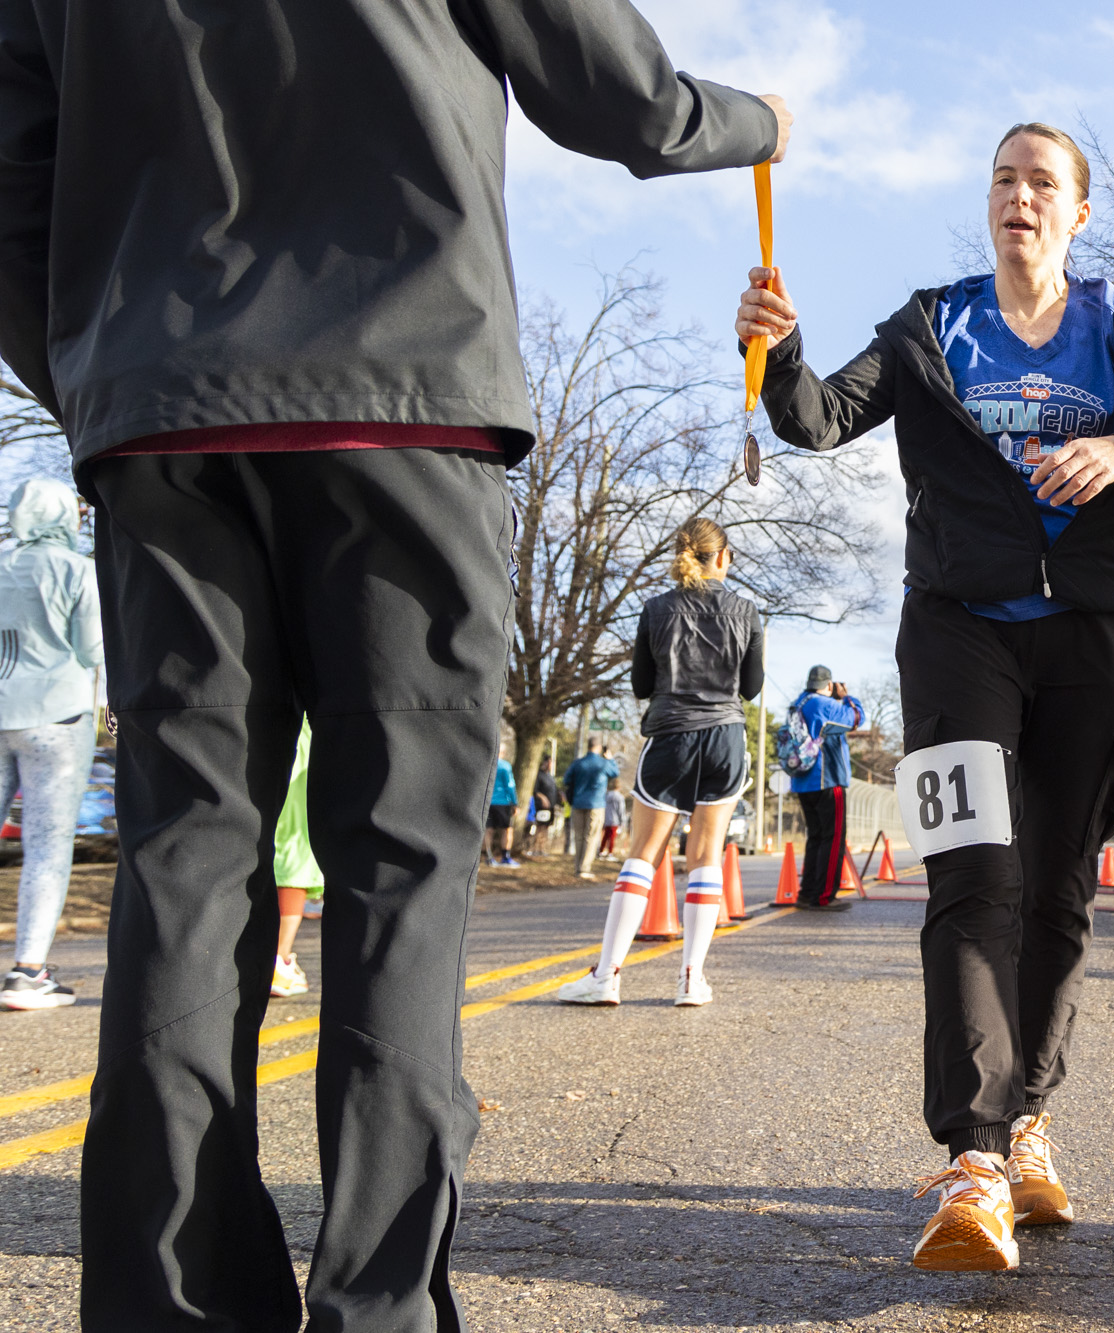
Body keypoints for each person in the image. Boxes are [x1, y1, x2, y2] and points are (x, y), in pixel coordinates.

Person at [0, 0, 793, 1323]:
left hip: (162, 412)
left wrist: (100, 376)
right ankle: (378, 1308)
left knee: (184, 861)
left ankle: (168, 1303)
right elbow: (616, 91)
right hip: (402, 388)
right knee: (401, 868)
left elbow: (14, 164)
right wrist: (758, 122)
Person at [737, 120, 1114, 1272]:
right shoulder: (929, 327)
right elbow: (813, 417)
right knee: (970, 878)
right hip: (956, 634)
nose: (1019, 195)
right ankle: (973, 1157)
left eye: (1041, 181)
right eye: (1003, 178)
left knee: (1055, 888)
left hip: (1092, 640)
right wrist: (779, 347)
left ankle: (1029, 1118)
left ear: (1077, 213)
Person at [558, 518, 762, 1009]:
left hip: (670, 733)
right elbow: (752, 688)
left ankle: (606, 976)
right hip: (725, 737)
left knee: (643, 854)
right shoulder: (747, 610)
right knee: (706, 854)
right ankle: (691, 979)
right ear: (723, 557)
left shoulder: (655, 608)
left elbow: (641, 685)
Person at [0, 479, 100, 1011]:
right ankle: (27, 974)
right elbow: (92, 649)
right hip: (56, 718)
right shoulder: (76, 569)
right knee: (47, 847)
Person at [789, 667, 867, 911]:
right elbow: (857, 718)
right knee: (832, 839)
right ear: (829, 685)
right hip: (827, 778)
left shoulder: (798, 703)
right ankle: (823, 897)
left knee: (815, 837)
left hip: (803, 780)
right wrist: (846, 697)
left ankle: (807, 893)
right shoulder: (823, 704)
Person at [270, 721, 323, 1000]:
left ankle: (273, 960)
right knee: (295, 850)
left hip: (267, 733)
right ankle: (278, 960)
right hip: (303, 739)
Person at [563, 737, 619, 879]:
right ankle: (584, 869)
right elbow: (615, 773)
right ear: (599, 748)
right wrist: (610, 759)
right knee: (591, 836)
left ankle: (577, 867)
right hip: (596, 804)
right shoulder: (603, 763)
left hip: (578, 803)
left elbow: (566, 780)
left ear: (588, 746)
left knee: (579, 836)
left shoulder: (578, 763)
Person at [487, 756, 521, 867]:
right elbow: (510, 785)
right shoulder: (504, 765)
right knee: (507, 830)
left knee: (488, 830)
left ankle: (488, 857)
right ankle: (505, 857)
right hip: (502, 802)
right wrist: (515, 802)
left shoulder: (486, 762)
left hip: (487, 802)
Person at [601, 777, 626, 861]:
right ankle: (610, 853)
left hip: (606, 819)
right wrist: (622, 822)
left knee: (605, 836)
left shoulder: (606, 796)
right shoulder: (619, 797)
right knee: (612, 837)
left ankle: (601, 851)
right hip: (615, 821)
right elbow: (621, 810)